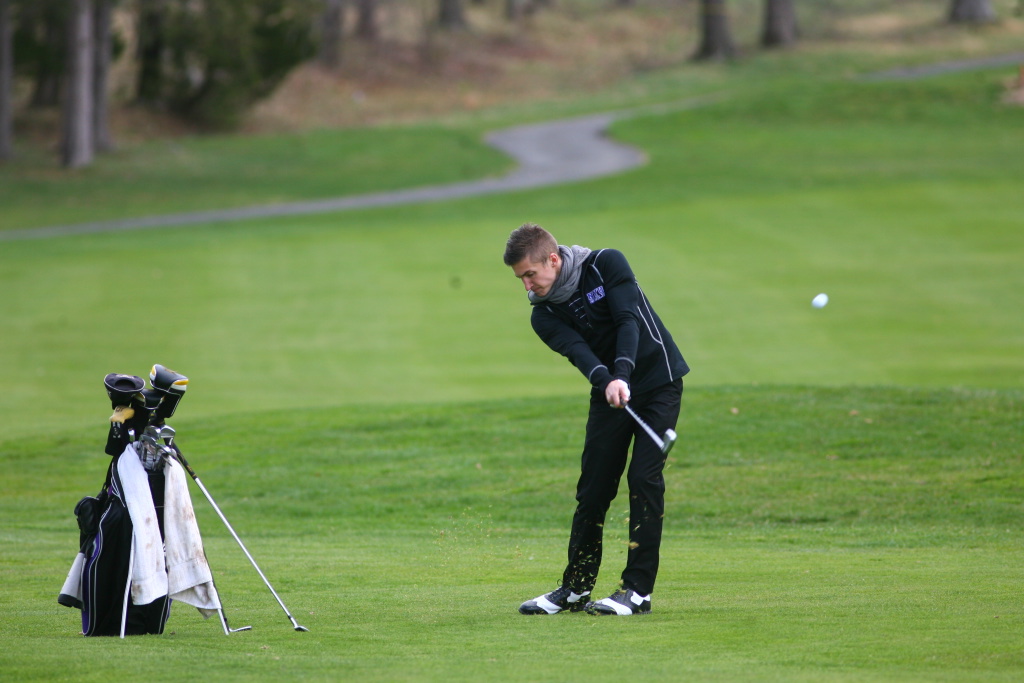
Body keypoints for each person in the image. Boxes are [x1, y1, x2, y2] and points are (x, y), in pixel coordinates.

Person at [503, 222, 688, 616]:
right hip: (610, 392)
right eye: (520, 279)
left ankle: (637, 592)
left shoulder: (606, 264)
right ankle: (576, 588)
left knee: (643, 479)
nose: (526, 286)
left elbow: (628, 321)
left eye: (530, 275)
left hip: (658, 382)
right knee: (593, 488)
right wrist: (608, 380)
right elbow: (580, 353)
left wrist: (622, 372)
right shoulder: (543, 316)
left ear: (552, 259)